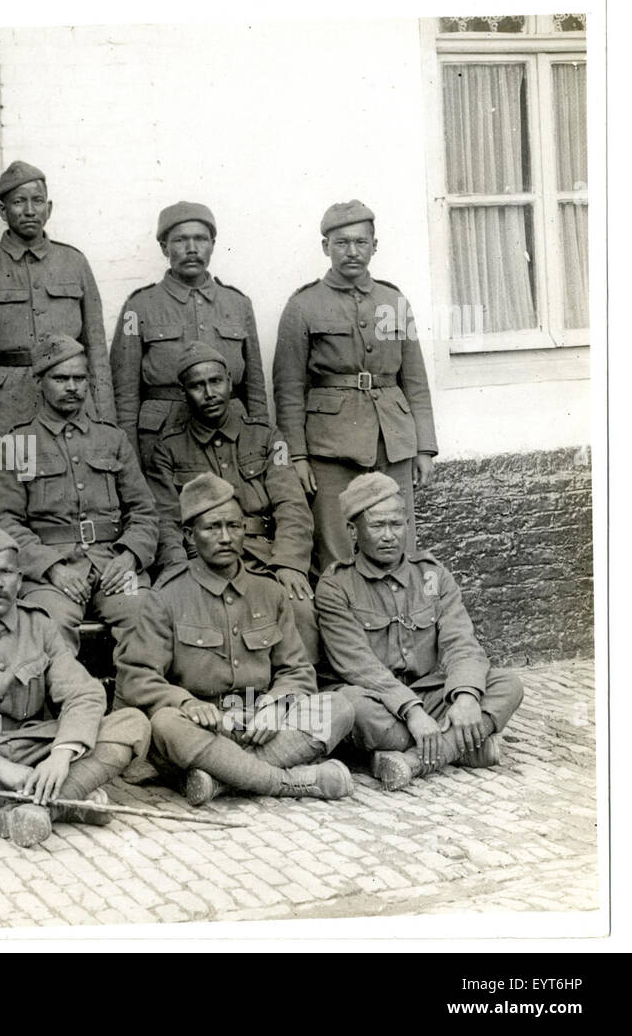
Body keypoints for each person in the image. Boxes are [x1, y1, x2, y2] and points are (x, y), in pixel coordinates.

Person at [115, 473, 355, 805]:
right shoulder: (167, 596)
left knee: (339, 707)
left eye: (235, 526)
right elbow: (137, 676)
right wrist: (187, 703)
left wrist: (276, 705)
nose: (226, 537)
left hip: (260, 718)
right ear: (190, 535)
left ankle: (222, 781)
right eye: (213, 528)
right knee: (166, 724)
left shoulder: (269, 590)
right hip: (203, 725)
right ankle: (287, 782)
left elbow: (296, 671)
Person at [0, 526, 149, 849]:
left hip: (34, 749)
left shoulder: (38, 623)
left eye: (6, 572)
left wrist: (61, 756)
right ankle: (65, 801)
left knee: (132, 724)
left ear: (19, 581)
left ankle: (25, 809)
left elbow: (83, 693)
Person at [315, 472, 524, 791]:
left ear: (407, 525)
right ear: (352, 531)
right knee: (347, 703)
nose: (389, 536)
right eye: (377, 525)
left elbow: (461, 643)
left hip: (430, 695)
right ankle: (460, 747)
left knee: (506, 684)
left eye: (396, 525)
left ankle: (411, 759)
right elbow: (357, 665)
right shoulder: (335, 586)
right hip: (380, 704)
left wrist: (466, 697)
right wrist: (411, 711)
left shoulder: (432, 575)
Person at [272, 199, 437, 575]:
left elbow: (415, 380)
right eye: (341, 242)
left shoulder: (394, 301)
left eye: (361, 242)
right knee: (337, 547)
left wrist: (424, 447)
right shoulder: (303, 305)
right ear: (325, 247)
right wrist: (297, 456)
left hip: (391, 441)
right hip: (330, 447)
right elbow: (289, 388)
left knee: (398, 541)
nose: (352, 251)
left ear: (374, 246)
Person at [148, 341, 318, 660]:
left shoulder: (266, 436)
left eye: (216, 381)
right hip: (203, 560)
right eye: (197, 386)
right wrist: (180, 571)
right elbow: (166, 520)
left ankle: (305, 696)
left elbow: (292, 506)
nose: (209, 393)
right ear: (184, 393)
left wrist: (290, 563)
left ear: (229, 381)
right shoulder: (169, 448)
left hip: (264, 555)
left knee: (301, 610)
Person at [0, 333, 157, 651]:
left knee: (146, 616)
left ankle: (140, 698)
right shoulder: (14, 445)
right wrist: (52, 568)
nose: (72, 387)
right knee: (48, 625)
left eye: (80, 378)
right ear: (39, 382)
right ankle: (71, 701)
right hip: (52, 573)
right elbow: (4, 524)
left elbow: (144, 510)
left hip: (113, 564)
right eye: (60, 378)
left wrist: (130, 557)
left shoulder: (113, 439)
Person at [0, 160, 114, 438]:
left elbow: (97, 348)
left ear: (49, 208)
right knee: (9, 477)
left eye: (37, 201)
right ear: (2, 211)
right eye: (19, 202)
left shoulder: (74, 262)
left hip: (69, 400)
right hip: (2, 405)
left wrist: (104, 417)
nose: (30, 210)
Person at [111, 202, 267, 466]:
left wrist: (261, 441)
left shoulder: (238, 304)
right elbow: (125, 392)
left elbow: (255, 388)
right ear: (164, 247)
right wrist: (129, 460)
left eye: (201, 239)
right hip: (162, 435)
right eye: (181, 240)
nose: (192, 249)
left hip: (230, 432)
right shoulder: (137, 307)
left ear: (213, 244)